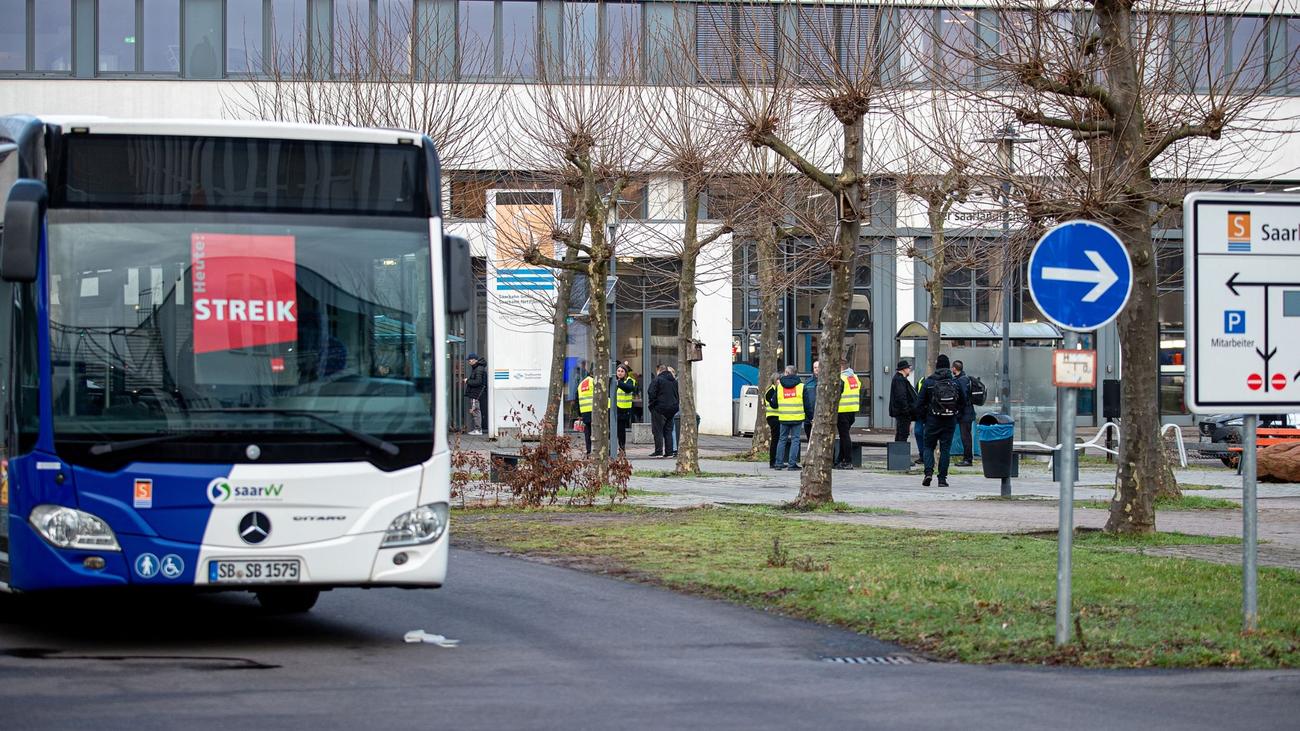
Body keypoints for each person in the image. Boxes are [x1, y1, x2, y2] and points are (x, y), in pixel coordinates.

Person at [918, 354, 965, 487]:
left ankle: (928, 473)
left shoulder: (929, 382)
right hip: (949, 420)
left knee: (928, 447)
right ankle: (942, 479)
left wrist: (924, 418)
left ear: (937, 366)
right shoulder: (955, 383)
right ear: (948, 367)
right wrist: (955, 415)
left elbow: (919, 403)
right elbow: (963, 401)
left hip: (932, 420)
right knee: (945, 449)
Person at [770, 365, 804, 470]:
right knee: (795, 440)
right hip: (797, 418)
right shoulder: (801, 386)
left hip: (783, 417)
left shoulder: (779, 386)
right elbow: (807, 403)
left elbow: (774, 404)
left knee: (782, 440)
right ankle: (792, 464)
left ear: (786, 373)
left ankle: (778, 463)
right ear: (795, 373)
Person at [834, 359, 863, 470]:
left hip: (842, 410)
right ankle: (840, 459)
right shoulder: (854, 377)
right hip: (852, 410)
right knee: (844, 435)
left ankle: (847, 460)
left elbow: (837, 395)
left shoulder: (841, 378)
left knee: (844, 436)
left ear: (840, 367)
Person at [647, 364, 679, 458]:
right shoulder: (674, 381)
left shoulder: (657, 380)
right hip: (672, 409)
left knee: (658, 430)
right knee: (668, 430)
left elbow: (651, 393)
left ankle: (659, 451)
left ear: (658, 370)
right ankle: (669, 452)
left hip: (659, 408)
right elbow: (677, 395)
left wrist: (652, 405)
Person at [951, 359, 976, 467]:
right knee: (966, 436)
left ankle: (968, 459)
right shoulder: (965, 378)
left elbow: (963, 398)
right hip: (968, 412)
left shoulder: (960, 380)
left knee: (965, 437)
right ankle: (967, 458)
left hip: (965, 414)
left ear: (954, 369)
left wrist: (958, 410)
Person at [890, 360, 916, 449]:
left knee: (901, 433)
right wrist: (907, 411)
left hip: (901, 412)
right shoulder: (900, 379)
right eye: (908, 368)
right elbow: (901, 397)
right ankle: (901, 457)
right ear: (904, 369)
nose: (909, 369)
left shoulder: (899, 379)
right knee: (903, 434)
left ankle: (898, 456)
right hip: (903, 413)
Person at [613, 364, 636, 452]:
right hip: (614, 408)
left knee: (621, 431)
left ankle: (622, 449)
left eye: (622, 371)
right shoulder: (614, 381)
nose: (620, 373)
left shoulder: (630, 380)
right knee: (611, 430)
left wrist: (618, 383)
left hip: (624, 410)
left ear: (625, 373)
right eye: (618, 371)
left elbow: (628, 389)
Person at [463, 353, 487, 435]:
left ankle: (478, 429)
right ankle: (477, 429)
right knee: (476, 410)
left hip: (476, 393)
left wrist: (467, 381)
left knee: (475, 410)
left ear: (474, 360)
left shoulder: (478, 369)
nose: (469, 362)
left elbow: (478, 382)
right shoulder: (478, 368)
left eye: (469, 360)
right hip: (476, 392)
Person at [763, 372, 782, 469]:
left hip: (777, 416)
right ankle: (773, 461)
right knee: (775, 439)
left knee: (778, 439)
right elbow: (774, 404)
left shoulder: (775, 390)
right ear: (775, 380)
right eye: (778, 379)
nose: (780, 381)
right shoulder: (771, 391)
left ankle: (777, 460)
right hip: (773, 417)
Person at [577, 371, 595, 454]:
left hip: (584, 411)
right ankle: (597, 450)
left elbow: (577, 399)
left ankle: (589, 450)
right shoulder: (594, 382)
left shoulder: (581, 384)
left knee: (587, 432)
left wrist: (579, 414)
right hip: (594, 411)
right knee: (596, 431)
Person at [802, 360, 820, 441]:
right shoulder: (808, 383)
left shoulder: (827, 382)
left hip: (821, 414)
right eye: (815, 367)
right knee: (809, 438)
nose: (816, 369)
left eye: (818, 367)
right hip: (809, 416)